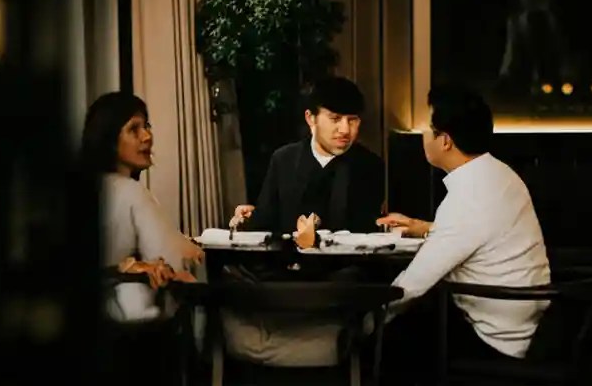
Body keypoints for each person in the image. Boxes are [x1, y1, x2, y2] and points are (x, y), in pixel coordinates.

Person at [378, 86, 550, 359]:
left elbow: (412, 284)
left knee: (393, 333)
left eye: (426, 128)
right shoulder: (499, 174)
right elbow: (484, 232)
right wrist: (427, 228)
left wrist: (367, 321)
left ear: (444, 141)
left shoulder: (468, 196)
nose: (422, 135)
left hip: (498, 339)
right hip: (530, 324)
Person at [81, 92, 202, 322]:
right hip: (131, 322)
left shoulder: (85, 187)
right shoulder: (132, 192)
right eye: (133, 129)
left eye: (146, 126)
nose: (147, 136)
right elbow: (170, 261)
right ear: (109, 139)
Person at [229, 76, 384, 238]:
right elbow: (266, 221)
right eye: (335, 119)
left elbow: (365, 230)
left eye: (352, 120)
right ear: (311, 118)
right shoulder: (284, 160)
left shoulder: (370, 165)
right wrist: (249, 219)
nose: (345, 130)